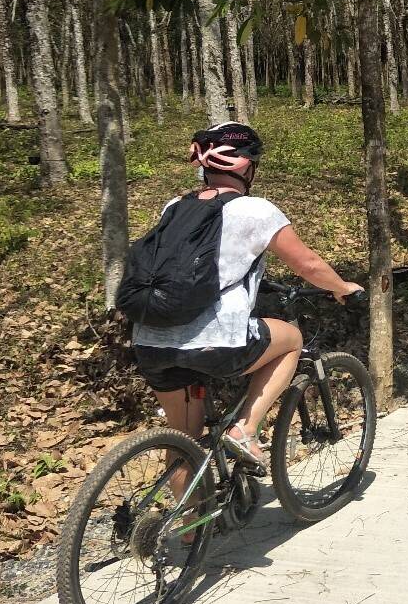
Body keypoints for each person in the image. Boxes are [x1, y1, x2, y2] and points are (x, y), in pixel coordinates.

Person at [131, 122, 363, 474]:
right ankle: (246, 429)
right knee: (292, 339)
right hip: (213, 344)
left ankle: (184, 527)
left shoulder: (175, 206)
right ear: (247, 165)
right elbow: (308, 265)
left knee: (185, 443)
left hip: (151, 340)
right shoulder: (256, 210)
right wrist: (342, 288)